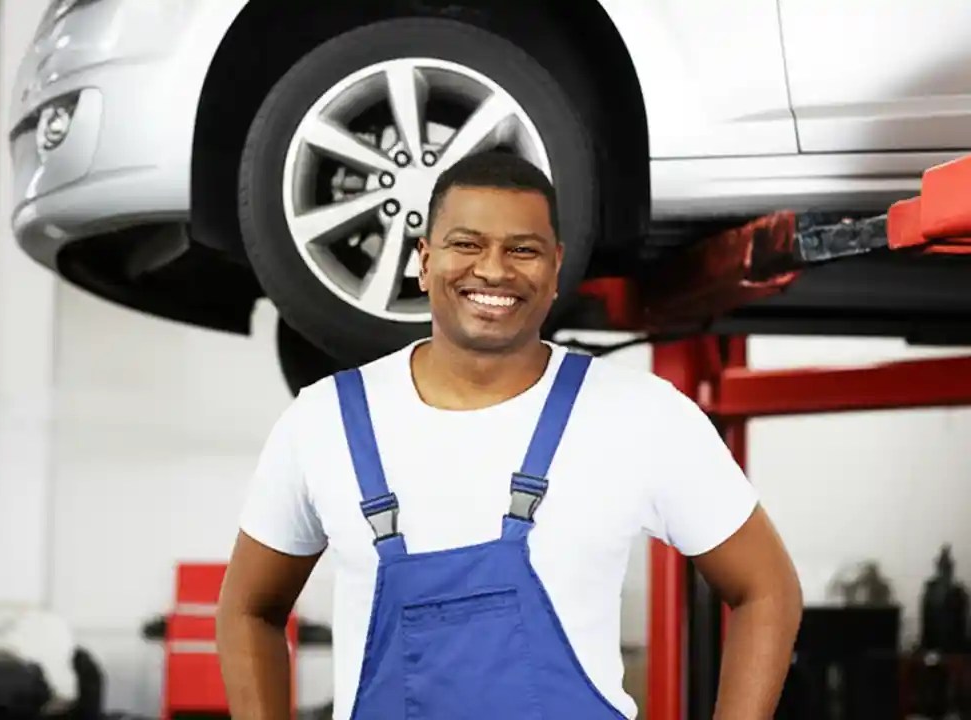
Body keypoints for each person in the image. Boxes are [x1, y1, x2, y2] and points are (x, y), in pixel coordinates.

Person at [216, 150, 803, 719]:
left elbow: (767, 588)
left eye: (522, 250)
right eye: (466, 244)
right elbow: (248, 609)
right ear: (423, 260)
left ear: (554, 269)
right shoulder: (324, 422)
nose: (493, 269)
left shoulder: (640, 415)